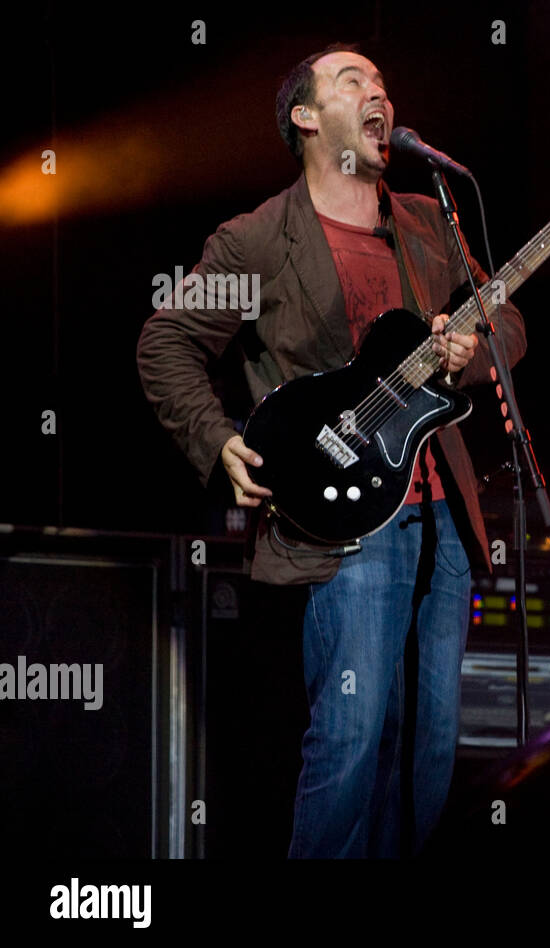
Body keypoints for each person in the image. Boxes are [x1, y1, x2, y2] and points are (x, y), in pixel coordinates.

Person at [136, 44, 526, 857]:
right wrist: (220, 442)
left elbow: (508, 319)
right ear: (306, 117)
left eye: (384, 81)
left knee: (429, 744)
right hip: (345, 518)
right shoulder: (256, 239)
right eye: (355, 82)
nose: (378, 92)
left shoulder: (426, 217)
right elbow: (166, 341)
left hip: (442, 514)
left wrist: (473, 350)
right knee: (351, 739)